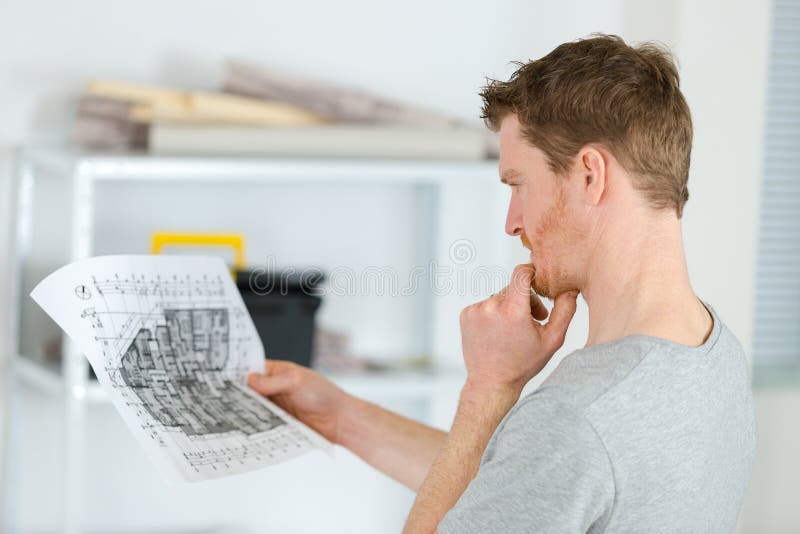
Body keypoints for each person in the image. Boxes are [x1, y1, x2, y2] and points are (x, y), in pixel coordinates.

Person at [247, 34, 756, 533]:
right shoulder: (714, 352)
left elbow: (548, 464)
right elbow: (517, 491)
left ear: (589, 177)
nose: (512, 223)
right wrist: (343, 417)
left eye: (518, 185)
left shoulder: (575, 420)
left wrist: (487, 391)